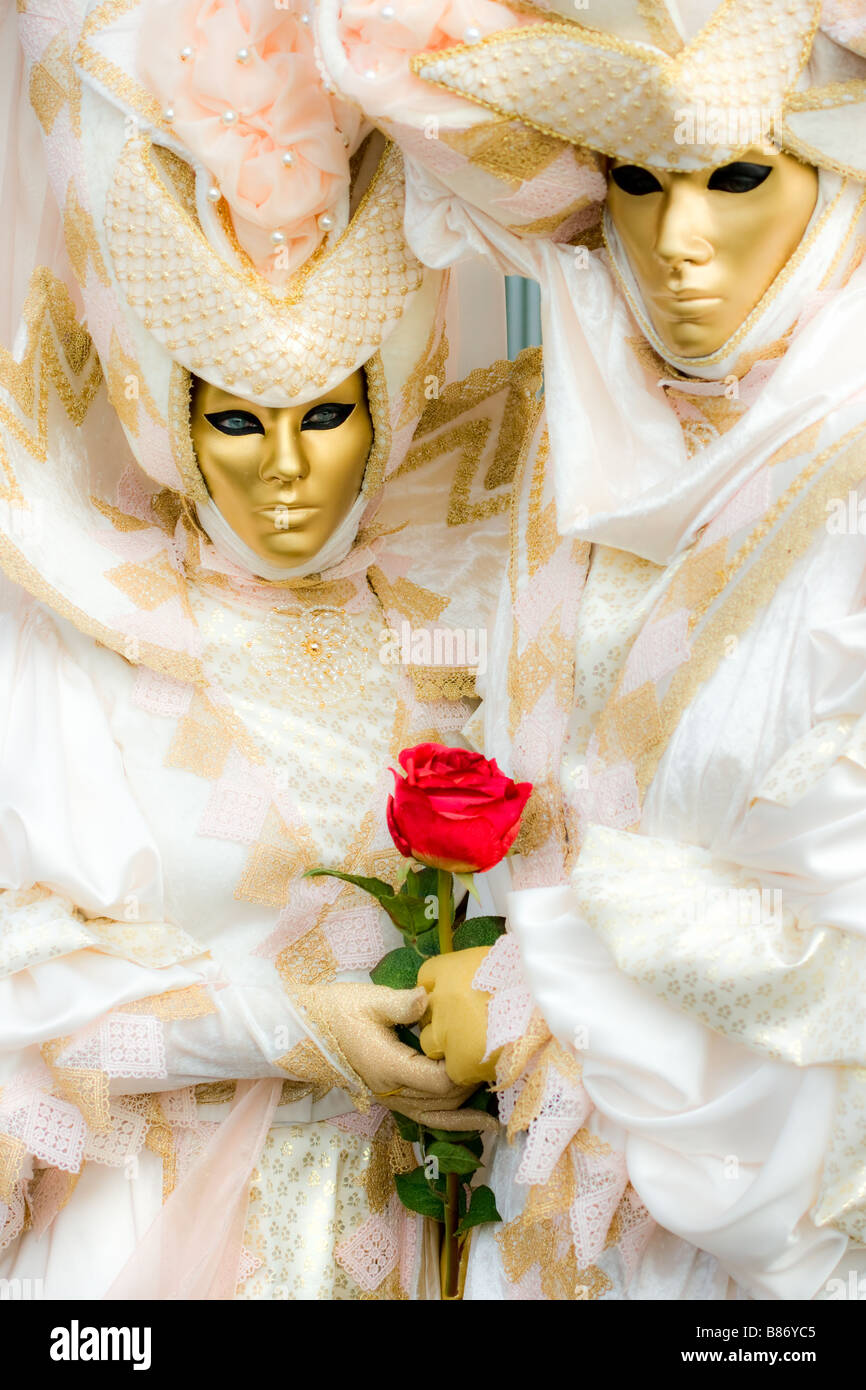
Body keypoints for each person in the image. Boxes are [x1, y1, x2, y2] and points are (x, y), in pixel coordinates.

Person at [316, 0, 866, 1299]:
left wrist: (532, 989)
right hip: (560, 1187)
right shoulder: (576, 422)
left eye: (736, 176)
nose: (679, 243)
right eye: (632, 177)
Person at [0, 0, 541, 1299]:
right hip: (150, 1257)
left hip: (422, 1235)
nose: (289, 471)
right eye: (238, 419)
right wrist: (277, 1022)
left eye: (327, 412)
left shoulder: (472, 584)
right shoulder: (73, 620)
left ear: (388, 390)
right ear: (166, 409)